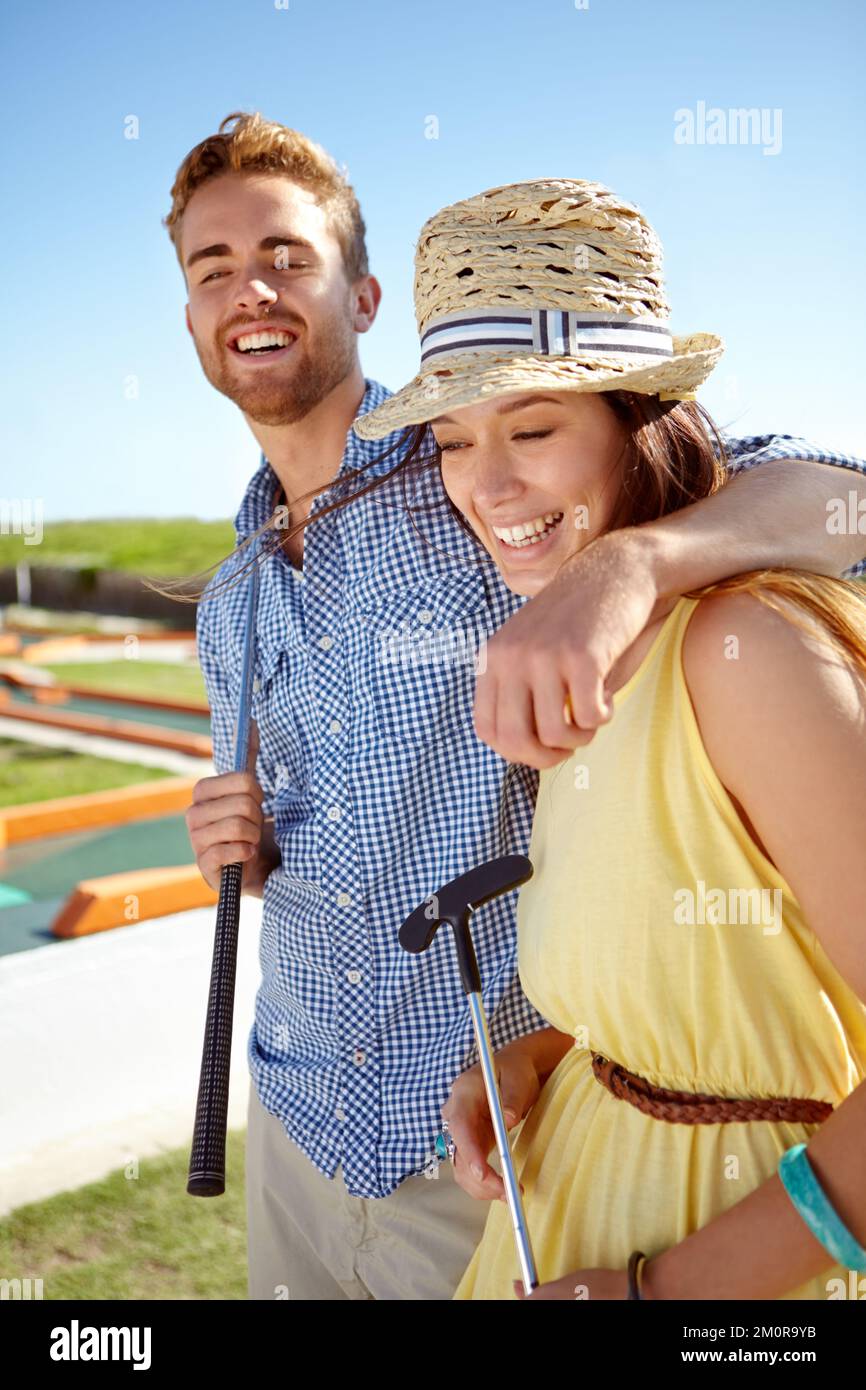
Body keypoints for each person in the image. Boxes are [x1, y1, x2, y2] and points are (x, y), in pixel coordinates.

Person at [163, 113, 866, 1299]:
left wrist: (627, 566)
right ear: (188, 313)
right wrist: (254, 847)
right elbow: (329, 822)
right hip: (301, 1113)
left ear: (363, 293)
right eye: (212, 268)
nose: (252, 290)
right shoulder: (228, 598)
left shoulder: (486, 496)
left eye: (288, 254)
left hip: (483, 1156)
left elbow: (841, 503)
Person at [351, 177, 866, 1300]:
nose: (486, 487)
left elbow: (849, 500)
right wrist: (552, 1058)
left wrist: (657, 1292)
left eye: (533, 427)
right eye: (449, 441)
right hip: (565, 1191)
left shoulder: (745, 650)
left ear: (640, 423)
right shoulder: (588, 656)